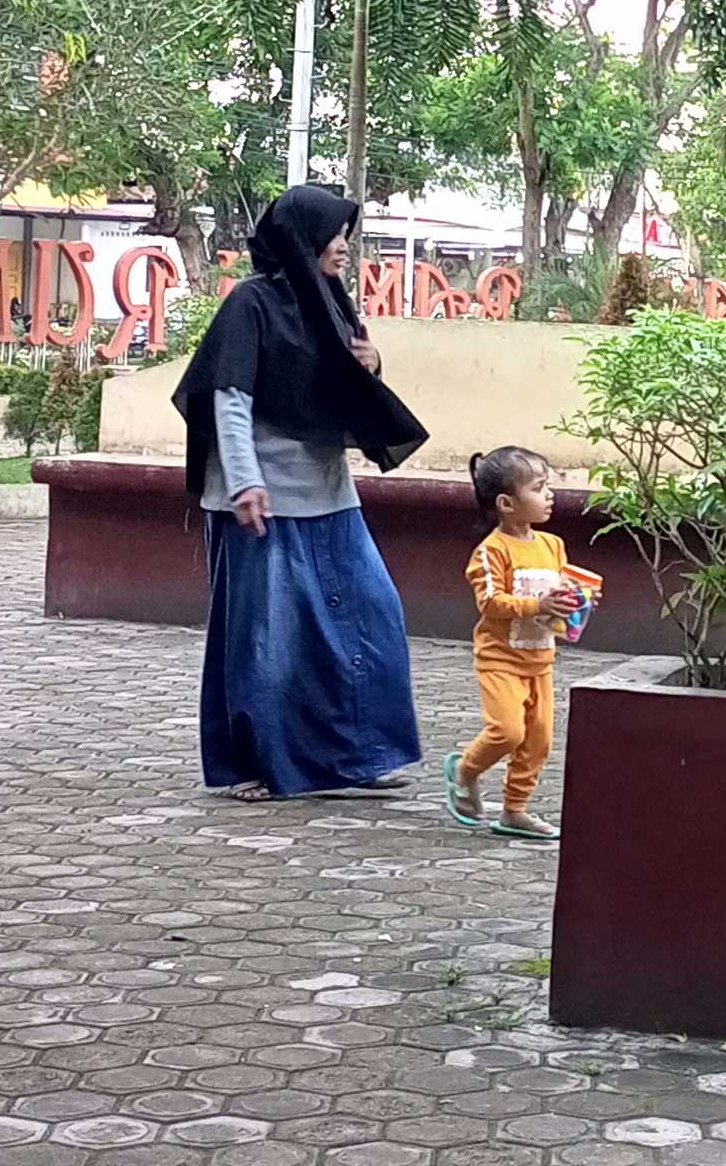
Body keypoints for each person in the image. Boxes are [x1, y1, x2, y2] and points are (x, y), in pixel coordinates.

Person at [177, 185, 432, 798]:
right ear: (300, 238)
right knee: (269, 643)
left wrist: (371, 363)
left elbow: (335, 390)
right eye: (331, 233)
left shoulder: (331, 302)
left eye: (345, 233)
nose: (342, 246)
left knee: (372, 618)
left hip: (329, 492)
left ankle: (355, 758)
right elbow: (229, 399)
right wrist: (244, 482)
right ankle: (266, 766)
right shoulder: (251, 304)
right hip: (260, 499)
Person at [447, 445, 594, 841]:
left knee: (538, 739)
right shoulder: (491, 552)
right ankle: (465, 769)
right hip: (500, 659)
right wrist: (538, 604)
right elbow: (491, 603)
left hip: (541, 658)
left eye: (550, 486)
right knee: (507, 731)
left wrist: (577, 601)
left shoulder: (553, 546)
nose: (551, 495)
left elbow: (560, 594)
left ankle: (515, 810)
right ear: (507, 503)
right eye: (540, 487)